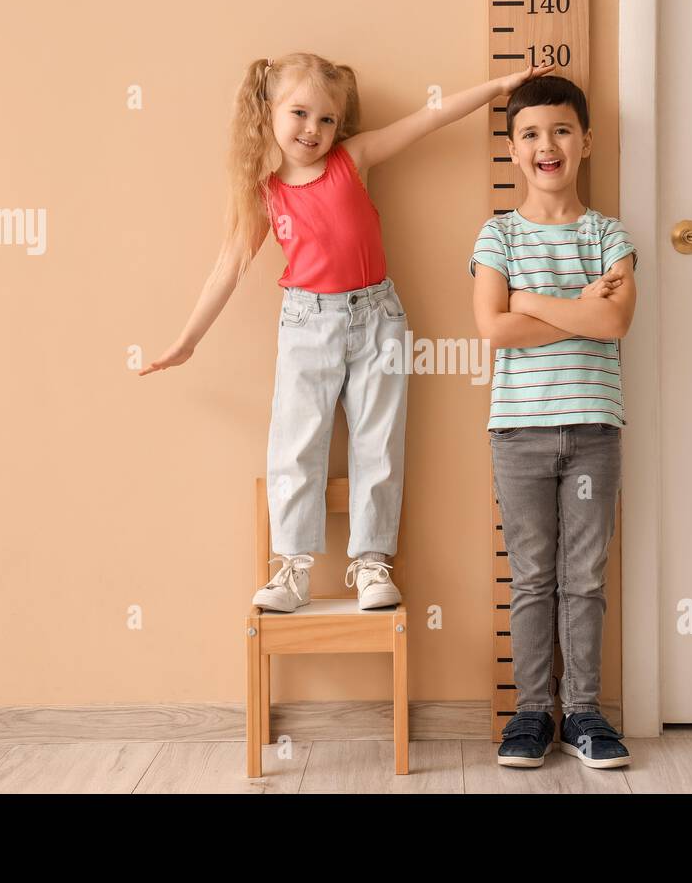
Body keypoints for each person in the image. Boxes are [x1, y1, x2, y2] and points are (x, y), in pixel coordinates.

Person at [143, 52, 554, 612]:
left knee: (379, 443)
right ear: (268, 113)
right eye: (299, 114)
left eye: (327, 119)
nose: (313, 130)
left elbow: (429, 118)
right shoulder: (266, 193)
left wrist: (502, 84)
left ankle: (371, 562)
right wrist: (187, 340)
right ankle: (291, 567)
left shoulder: (352, 160)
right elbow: (228, 266)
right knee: (295, 445)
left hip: (379, 318)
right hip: (306, 324)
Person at [469, 75, 636, 768]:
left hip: (594, 431)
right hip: (518, 435)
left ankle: (588, 713)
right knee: (533, 576)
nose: (548, 145)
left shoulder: (608, 234)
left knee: (585, 577)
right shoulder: (497, 234)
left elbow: (614, 320)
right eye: (532, 134)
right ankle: (533, 712)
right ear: (513, 150)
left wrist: (529, 302)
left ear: (586, 142)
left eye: (562, 131)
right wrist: (568, 302)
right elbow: (493, 328)